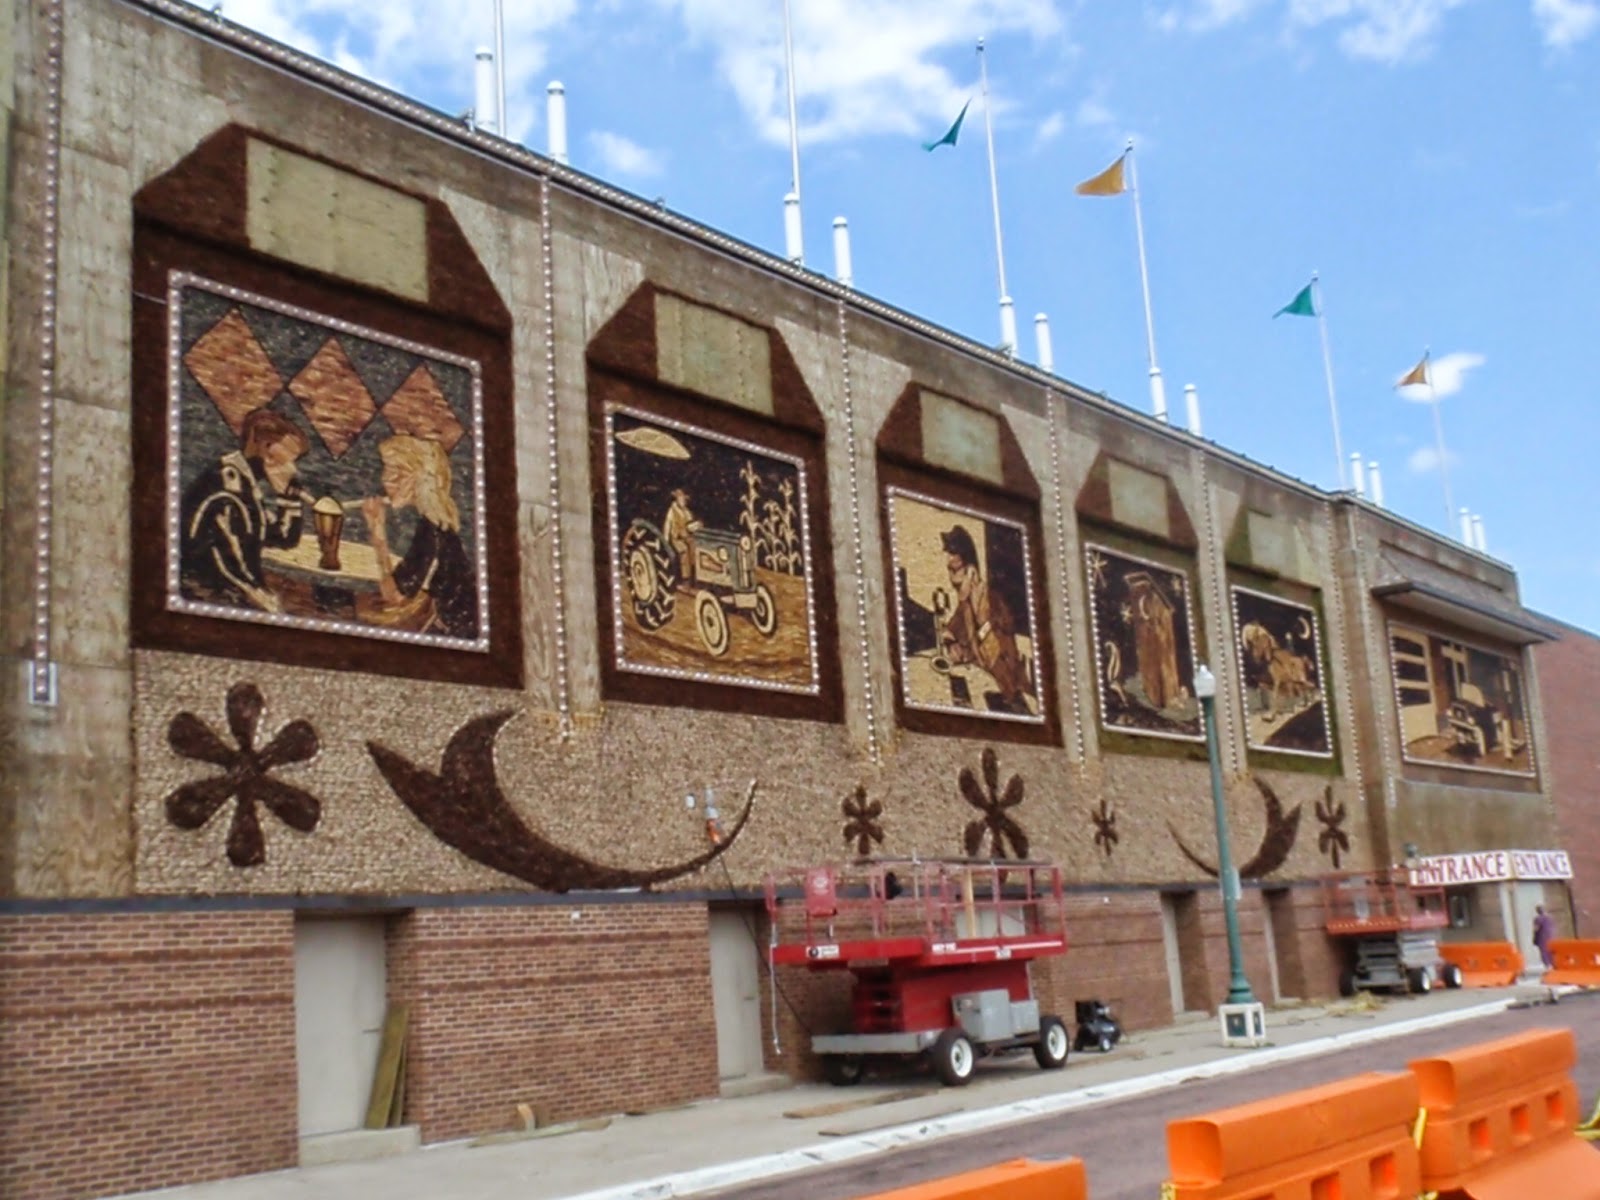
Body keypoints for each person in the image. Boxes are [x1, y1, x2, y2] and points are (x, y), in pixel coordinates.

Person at [179, 408, 310, 614]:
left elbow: (283, 538)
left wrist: (289, 498)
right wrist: (264, 601)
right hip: (207, 597)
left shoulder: (246, 486)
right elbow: (227, 569)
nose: (291, 469)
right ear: (263, 447)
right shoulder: (226, 490)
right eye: (286, 459)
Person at [362, 435, 479, 639]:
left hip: (456, 635)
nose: (386, 480)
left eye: (398, 472)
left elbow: (394, 595)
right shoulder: (437, 525)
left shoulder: (431, 530)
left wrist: (378, 534)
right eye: (387, 470)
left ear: (421, 480)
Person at [938, 524, 1030, 714]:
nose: (948, 562)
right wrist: (952, 642)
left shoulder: (986, 597)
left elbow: (993, 642)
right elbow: (956, 626)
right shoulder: (965, 602)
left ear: (968, 565)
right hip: (985, 673)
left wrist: (972, 649)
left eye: (953, 556)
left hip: (1003, 677)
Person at [662, 487, 701, 585]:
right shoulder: (672, 511)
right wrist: (665, 540)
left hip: (687, 537)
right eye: (681, 498)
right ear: (677, 499)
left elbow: (689, 524)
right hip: (677, 538)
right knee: (684, 551)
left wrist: (695, 526)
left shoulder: (686, 511)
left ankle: (695, 575)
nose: (683, 501)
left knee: (695, 548)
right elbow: (667, 525)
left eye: (684, 499)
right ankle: (685, 578)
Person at [1533, 904, 1556, 969]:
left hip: (1542, 937)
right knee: (1551, 951)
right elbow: (1553, 927)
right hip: (1551, 937)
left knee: (1544, 951)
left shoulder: (1538, 919)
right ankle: (1553, 964)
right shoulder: (1550, 918)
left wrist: (1535, 938)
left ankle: (1547, 965)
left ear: (1537, 911)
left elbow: (1536, 929)